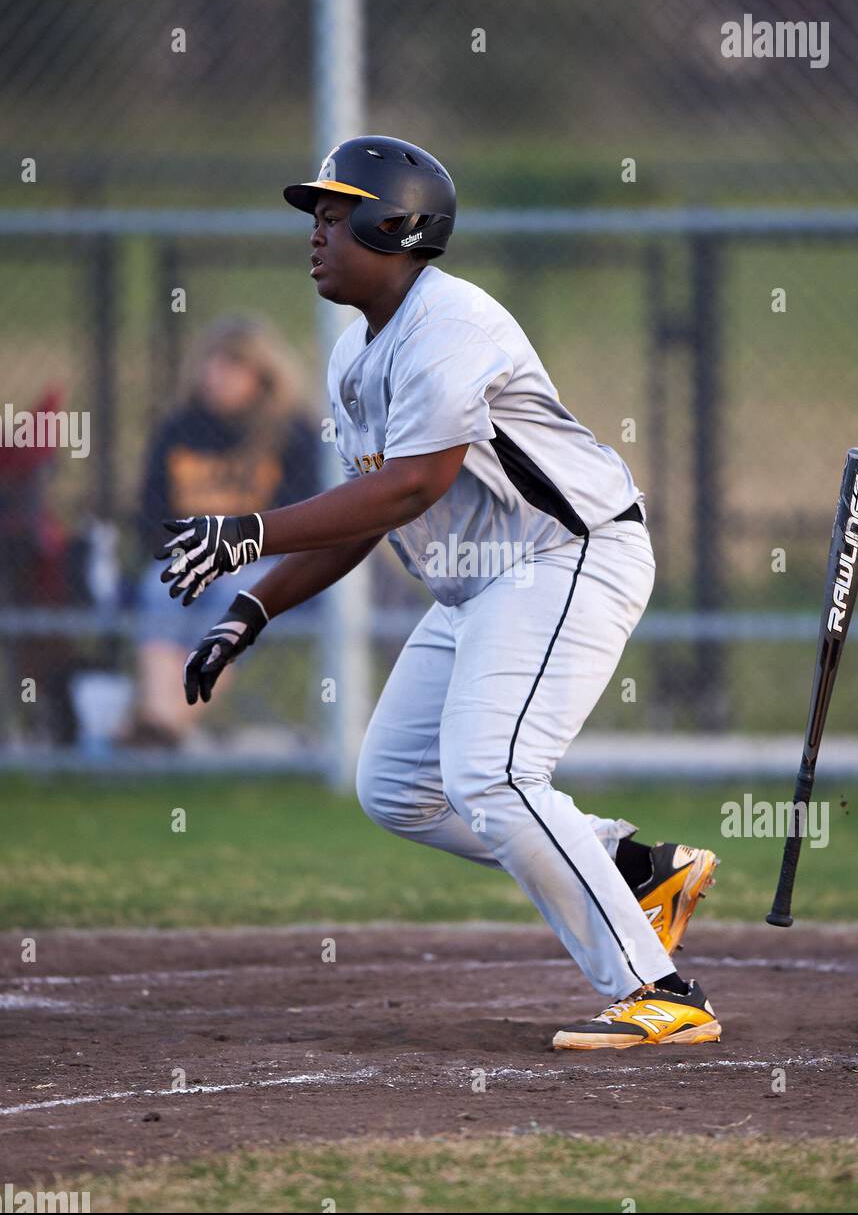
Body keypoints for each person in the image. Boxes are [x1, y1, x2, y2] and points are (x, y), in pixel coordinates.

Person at [155, 136, 722, 1049]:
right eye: (318, 219)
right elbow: (364, 511)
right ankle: (632, 866)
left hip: (567, 556)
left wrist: (248, 530)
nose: (316, 235)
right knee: (397, 787)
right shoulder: (354, 355)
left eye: (336, 218)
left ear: (396, 225)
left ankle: (661, 988)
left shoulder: (452, 326)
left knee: (492, 771)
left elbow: (411, 486)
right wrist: (250, 608)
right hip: (480, 588)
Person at [127, 316, 317, 746]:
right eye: (211, 364)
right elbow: (150, 514)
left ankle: (164, 725)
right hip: (189, 556)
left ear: (261, 377)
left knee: (235, 596)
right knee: (161, 587)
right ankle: (164, 721)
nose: (216, 376)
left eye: (232, 367)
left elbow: (306, 523)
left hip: (261, 563)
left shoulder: (292, 433)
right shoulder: (180, 429)